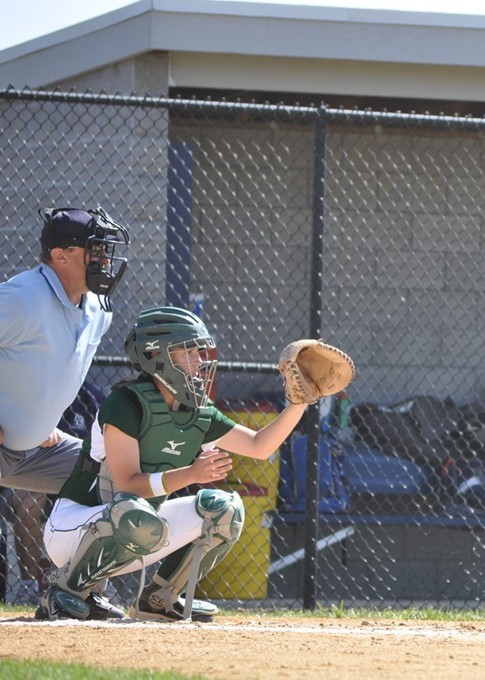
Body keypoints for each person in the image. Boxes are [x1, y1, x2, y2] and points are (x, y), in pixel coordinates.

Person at [40, 306, 310, 621]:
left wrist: (298, 403)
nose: (199, 361)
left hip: (138, 528)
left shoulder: (197, 410)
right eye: (189, 351)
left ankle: (159, 598)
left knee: (225, 510)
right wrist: (192, 473)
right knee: (132, 510)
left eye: (199, 352)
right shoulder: (125, 404)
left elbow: (259, 446)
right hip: (71, 531)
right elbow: (128, 484)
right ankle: (66, 591)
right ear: (156, 354)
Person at [0, 206, 130, 614]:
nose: (104, 261)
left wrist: (43, 421)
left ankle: (75, 593)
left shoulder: (98, 309)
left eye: (106, 251)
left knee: (111, 478)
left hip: (36, 447)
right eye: (94, 251)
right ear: (59, 256)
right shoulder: (22, 298)